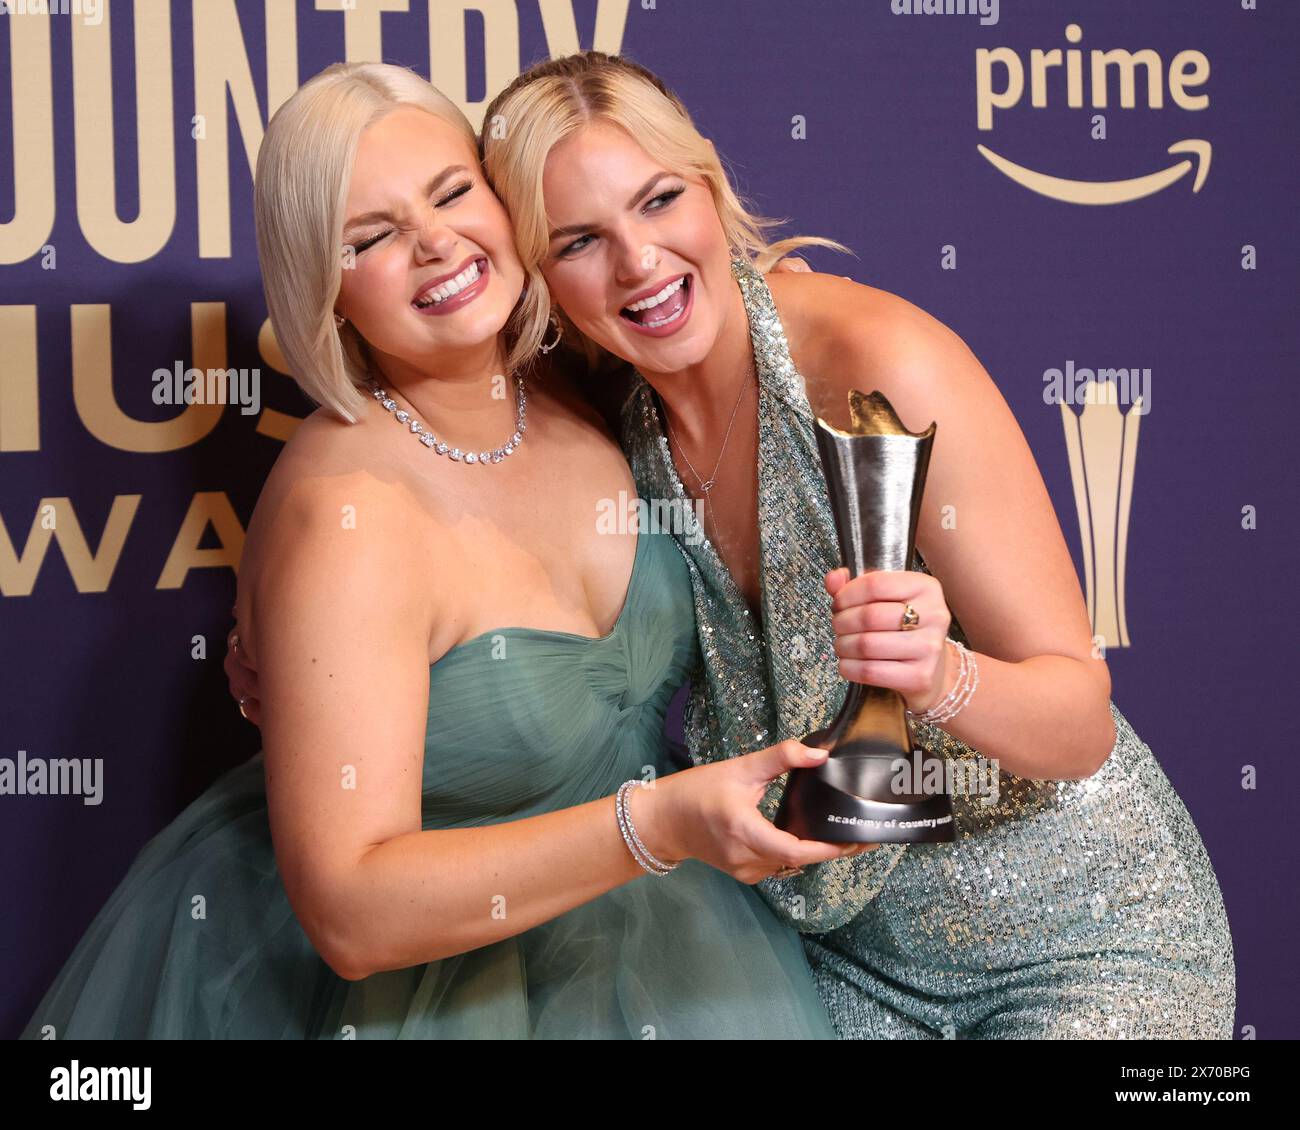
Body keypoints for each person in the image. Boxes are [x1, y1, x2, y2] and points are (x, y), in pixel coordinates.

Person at [20, 62, 862, 1040]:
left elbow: (696, 289)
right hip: (432, 987)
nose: (434, 243)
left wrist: (790, 306)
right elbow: (348, 913)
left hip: (669, 934)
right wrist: (658, 824)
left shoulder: (582, 373)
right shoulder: (348, 513)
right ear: (323, 290)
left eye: (452, 192)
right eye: (370, 237)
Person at [469, 51, 1237, 1039]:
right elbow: (429, 465)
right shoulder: (602, 419)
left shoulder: (877, 364)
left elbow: (1078, 721)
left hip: (1077, 937)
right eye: (579, 240)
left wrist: (943, 672)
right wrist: (285, 607)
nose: (639, 262)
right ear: (537, 272)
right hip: (836, 960)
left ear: (708, 185)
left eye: (660, 200)